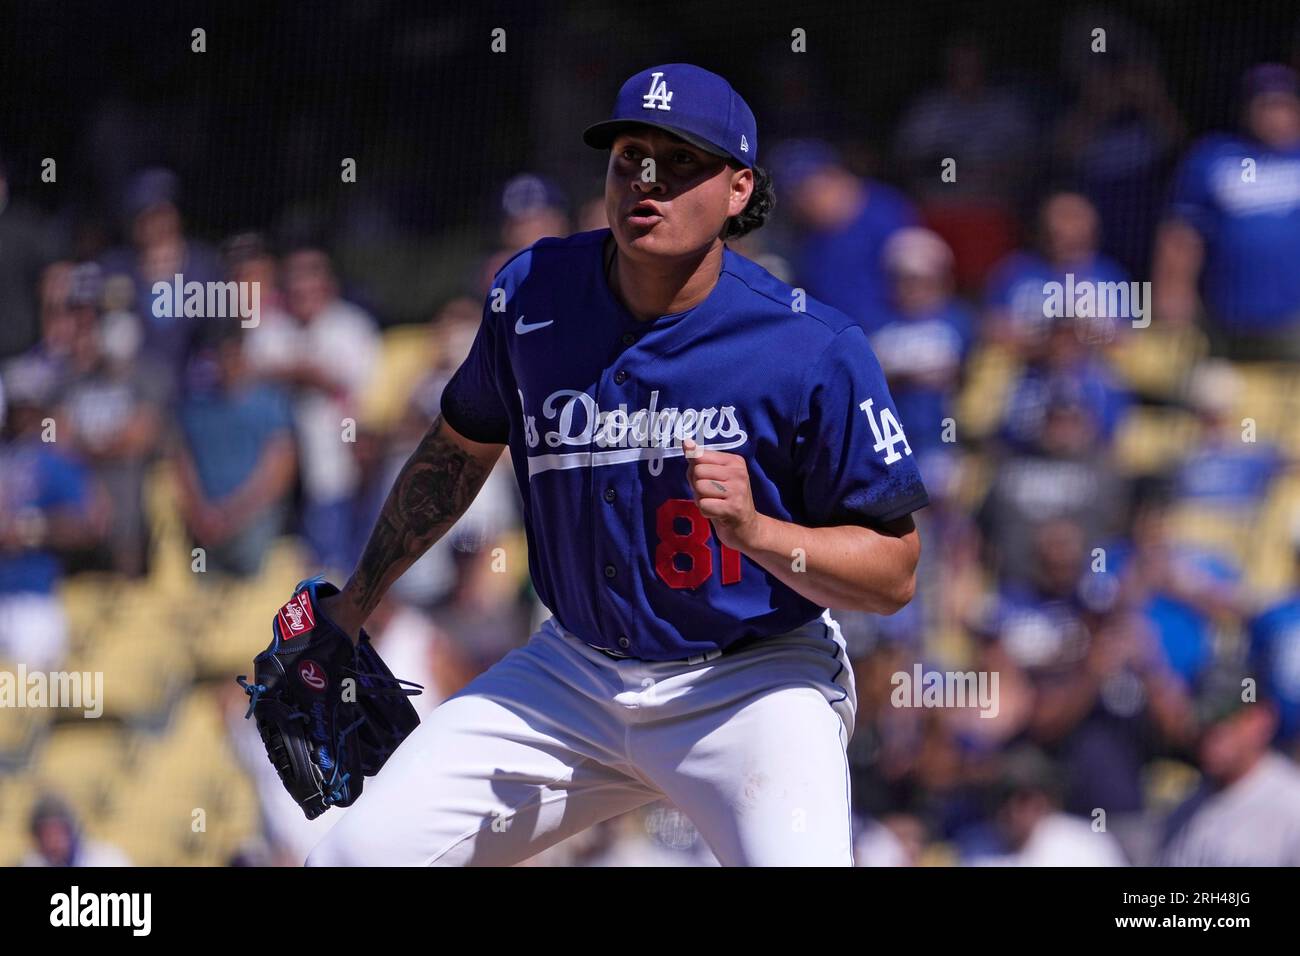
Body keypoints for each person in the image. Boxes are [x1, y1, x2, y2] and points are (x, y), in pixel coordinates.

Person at [306, 63, 927, 867]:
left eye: (681, 164)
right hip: (573, 676)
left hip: (752, 682)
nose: (648, 182)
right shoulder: (533, 295)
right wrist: (355, 605)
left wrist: (760, 531)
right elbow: (457, 452)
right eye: (630, 157)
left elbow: (895, 572)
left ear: (739, 189)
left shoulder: (810, 347)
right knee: (353, 858)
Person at [1153, 64, 1300, 358]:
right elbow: (1181, 238)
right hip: (1223, 321)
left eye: (1283, 105)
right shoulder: (1211, 157)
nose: (1275, 115)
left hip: (1292, 322)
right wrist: (1173, 301)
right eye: (1266, 105)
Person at [1158, 673, 1300, 866]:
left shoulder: (1292, 806)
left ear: (1262, 720)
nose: (1212, 730)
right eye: (1204, 716)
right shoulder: (1183, 809)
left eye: (1225, 717)